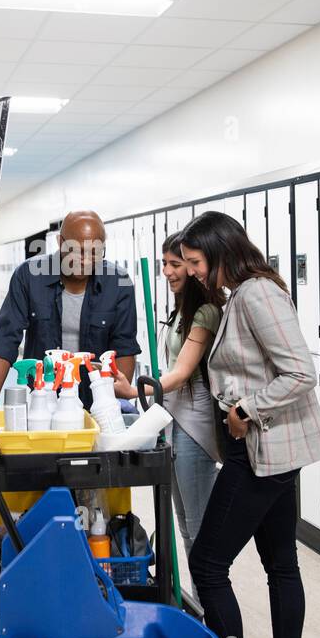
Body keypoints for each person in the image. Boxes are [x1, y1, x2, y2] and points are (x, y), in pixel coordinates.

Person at [178, 210, 320, 638]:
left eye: (198, 261)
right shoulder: (241, 295)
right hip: (277, 454)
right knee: (280, 562)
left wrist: (246, 410)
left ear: (222, 251)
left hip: (263, 453)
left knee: (206, 564)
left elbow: (300, 372)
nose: (194, 271)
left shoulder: (256, 294)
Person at [114, 231, 221, 594]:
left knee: (199, 525)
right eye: (165, 263)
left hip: (194, 427)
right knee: (184, 523)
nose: (167, 271)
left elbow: (179, 374)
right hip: (173, 420)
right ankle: (196, 599)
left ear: (195, 268)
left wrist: (133, 389)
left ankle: (209, 603)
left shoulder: (206, 313)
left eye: (176, 264)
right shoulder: (179, 312)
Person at [0, 210, 140, 423]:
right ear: (60, 242)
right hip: (43, 396)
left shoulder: (118, 283)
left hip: (97, 397)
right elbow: (6, 339)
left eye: (95, 252)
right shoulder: (29, 276)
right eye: (77, 251)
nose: (85, 260)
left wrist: (118, 397)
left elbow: (124, 345)